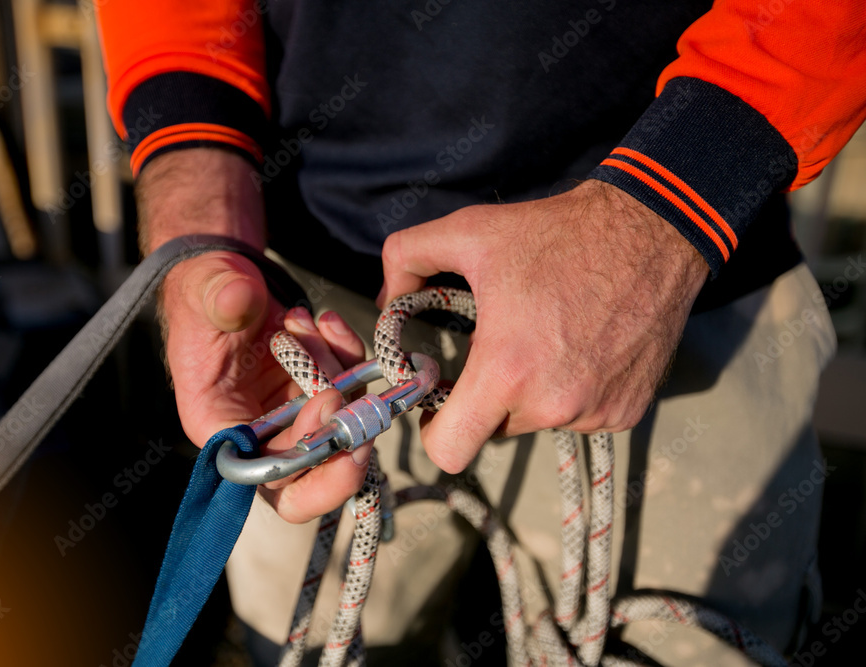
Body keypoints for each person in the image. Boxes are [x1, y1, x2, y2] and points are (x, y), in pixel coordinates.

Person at [96, 2, 865, 664]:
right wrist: (201, 206)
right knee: (304, 639)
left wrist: (673, 205)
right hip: (306, 309)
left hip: (687, 278)